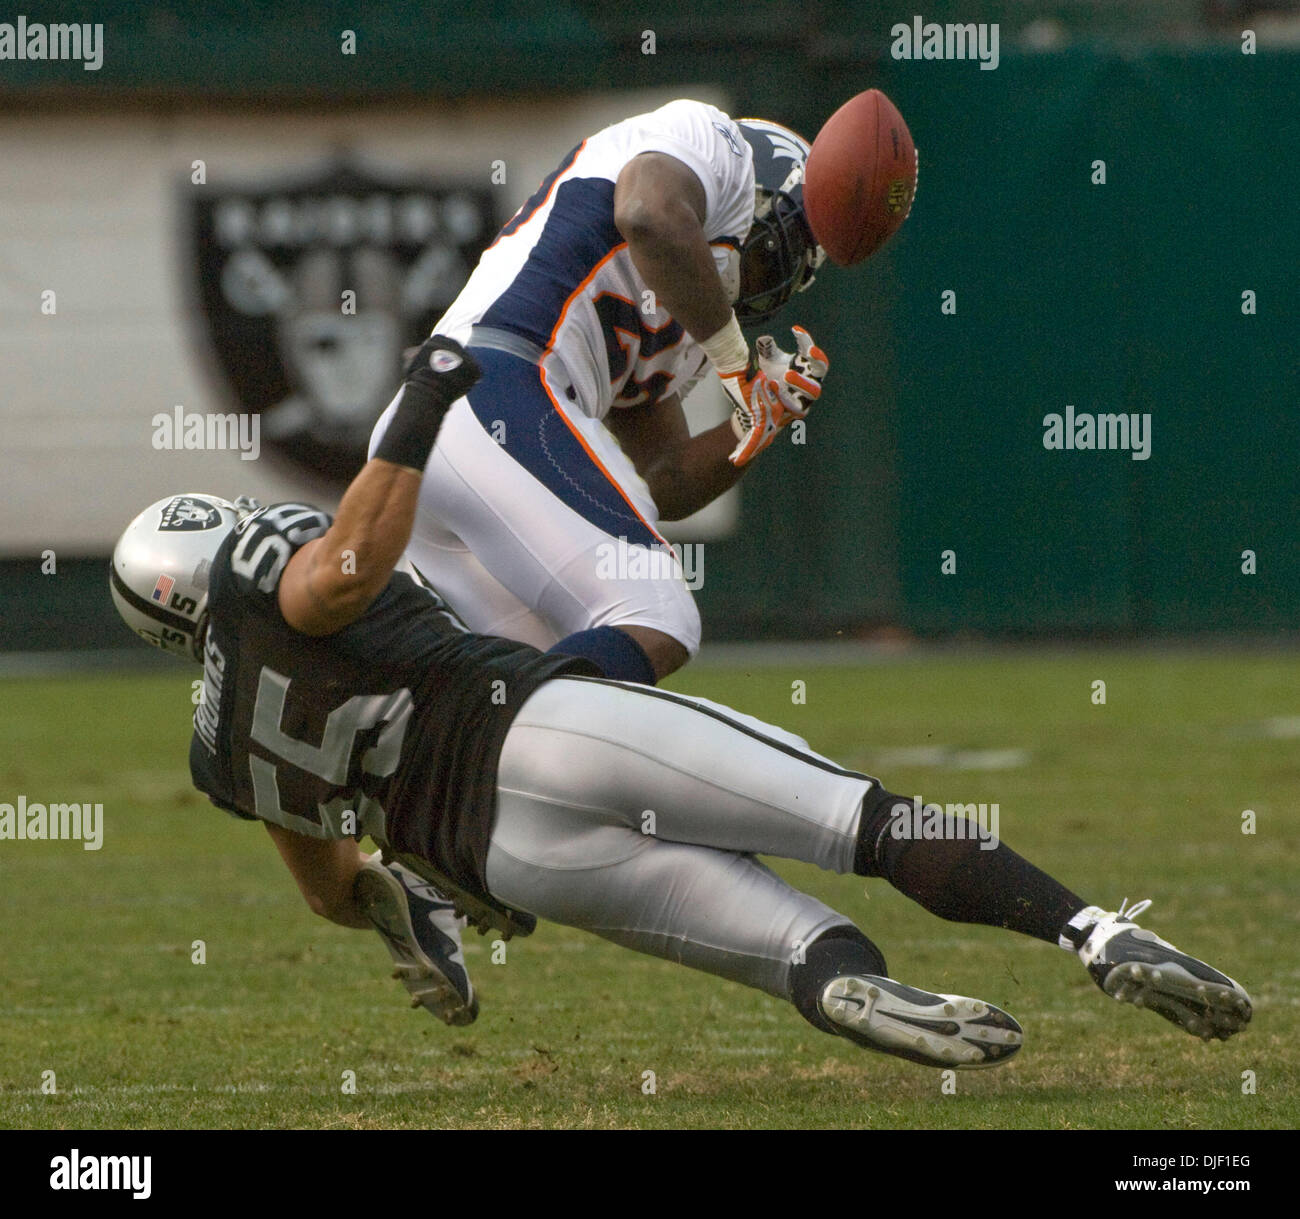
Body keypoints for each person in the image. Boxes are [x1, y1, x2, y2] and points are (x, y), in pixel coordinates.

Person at [110, 338, 1251, 1067]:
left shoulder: (223, 747)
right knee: (862, 820)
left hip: (508, 860)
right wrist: (422, 401)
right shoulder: (268, 570)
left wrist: (416, 896)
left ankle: (849, 983)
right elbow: (343, 573)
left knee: (791, 942)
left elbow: (330, 894)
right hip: (536, 727)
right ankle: (1093, 932)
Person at [367, 98, 830, 684]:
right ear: (753, 204)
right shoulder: (707, 137)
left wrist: (752, 424)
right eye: (780, 254)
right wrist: (737, 363)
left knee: (527, 681)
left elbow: (661, 480)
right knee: (656, 614)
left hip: (448, 424)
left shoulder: (682, 314)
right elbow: (650, 215)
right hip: (492, 389)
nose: (777, 277)